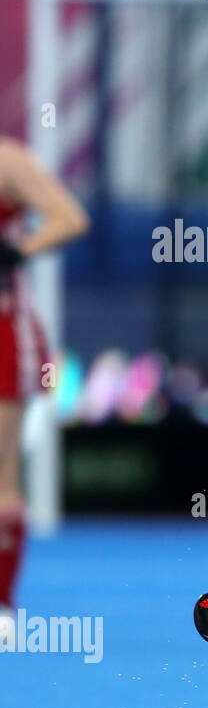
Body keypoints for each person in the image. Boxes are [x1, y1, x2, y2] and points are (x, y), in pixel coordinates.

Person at [0, 137, 89, 647]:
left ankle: (2, 606)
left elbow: (68, 217)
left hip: (4, 333)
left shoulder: (8, 162)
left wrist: (16, 250)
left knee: (1, 469)